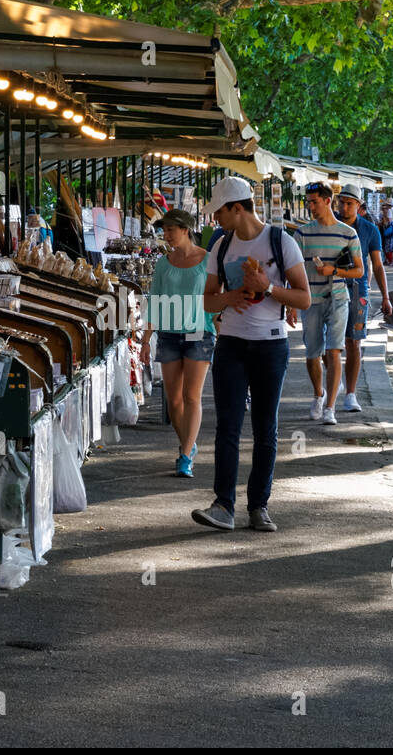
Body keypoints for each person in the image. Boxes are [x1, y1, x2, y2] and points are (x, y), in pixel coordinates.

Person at [190, 176, 310, 533]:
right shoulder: (220, 247)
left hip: (271, 345)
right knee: (227, 426)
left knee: (265, 429)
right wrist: (231, 297)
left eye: (219, 212)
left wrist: (268, 288)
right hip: (231, 345)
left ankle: (259, 505)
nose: (215, 219)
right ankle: (223, 505)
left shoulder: (281, 241)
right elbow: (209, 300)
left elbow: (304, 298)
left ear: (237, 208)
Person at [141, 208, 214, 477]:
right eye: (164, 230)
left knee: (191, 396)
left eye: (170, 230)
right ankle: (189, 444)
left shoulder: (207, 260)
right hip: (169, 334)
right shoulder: (163, 263)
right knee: (173, 402)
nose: (166, 235)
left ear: (186, 230)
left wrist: (218, 323)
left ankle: (185, 456)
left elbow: (216, 295)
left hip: (198, 332)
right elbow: (155, 302)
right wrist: (146, 339)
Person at [289, 182, 363, 425]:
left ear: (327, 201)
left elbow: (359, 271)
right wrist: (291, 302)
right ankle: (318, 394)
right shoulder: (302, 234)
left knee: (334, 350)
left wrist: (335, 270)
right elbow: (293, 269)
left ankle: (330, 407)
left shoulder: (348, 233)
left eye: (314, 202)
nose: (310, 206)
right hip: (311, 298)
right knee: (312, 353)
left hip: (339, 297)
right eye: (308, 202)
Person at [335, 185, 391, 412]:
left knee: (354, 342)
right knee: (330, 343)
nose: (345, 207)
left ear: (359, 206)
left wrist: (385, 297)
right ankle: (334, 380)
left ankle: (350, 393)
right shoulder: (330, 226)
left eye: (350, 203)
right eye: (342, 202)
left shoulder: (369, 230)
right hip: (331, 287)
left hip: (359, 290)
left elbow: (377, 265)